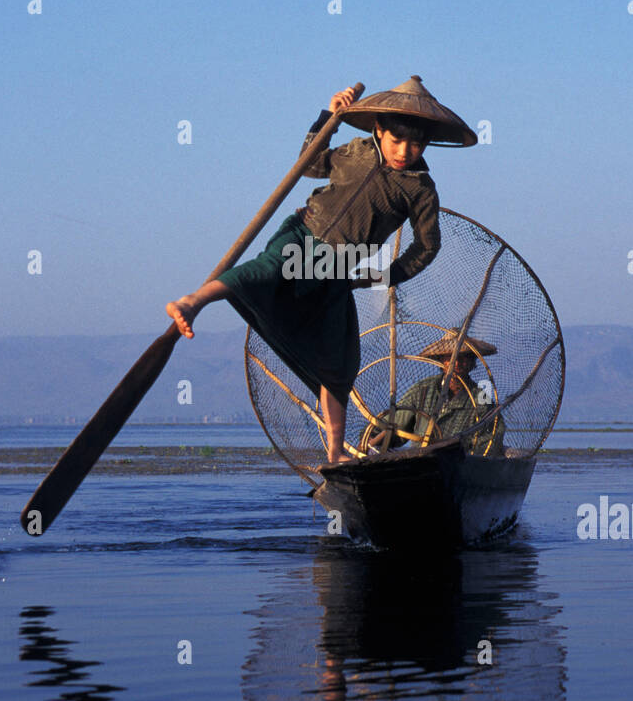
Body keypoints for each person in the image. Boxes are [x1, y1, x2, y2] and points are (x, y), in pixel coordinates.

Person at [166, 86, 450, 464]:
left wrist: (382, 276)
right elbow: (310, 165)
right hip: (304, 235)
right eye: (397, 140)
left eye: (415, 145)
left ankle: (334, 454)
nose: (404, 152)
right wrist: (327, 120)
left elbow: (427, 247)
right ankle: (193, 301)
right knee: (263, 272)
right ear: (379, 130)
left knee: (339, 362)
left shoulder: (420, 189)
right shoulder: (355, 152)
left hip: (339, 268)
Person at [368, 331, 505, 456]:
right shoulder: (423, 389)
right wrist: (373, 436)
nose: (456, 363)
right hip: (419, 461)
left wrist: (467, 454)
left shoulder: (481, 396)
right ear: (441, 360)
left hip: (457, 465)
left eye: (463, 358)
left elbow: (492, 436)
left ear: (472, 362)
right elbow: (395, 422)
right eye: (450, 357)